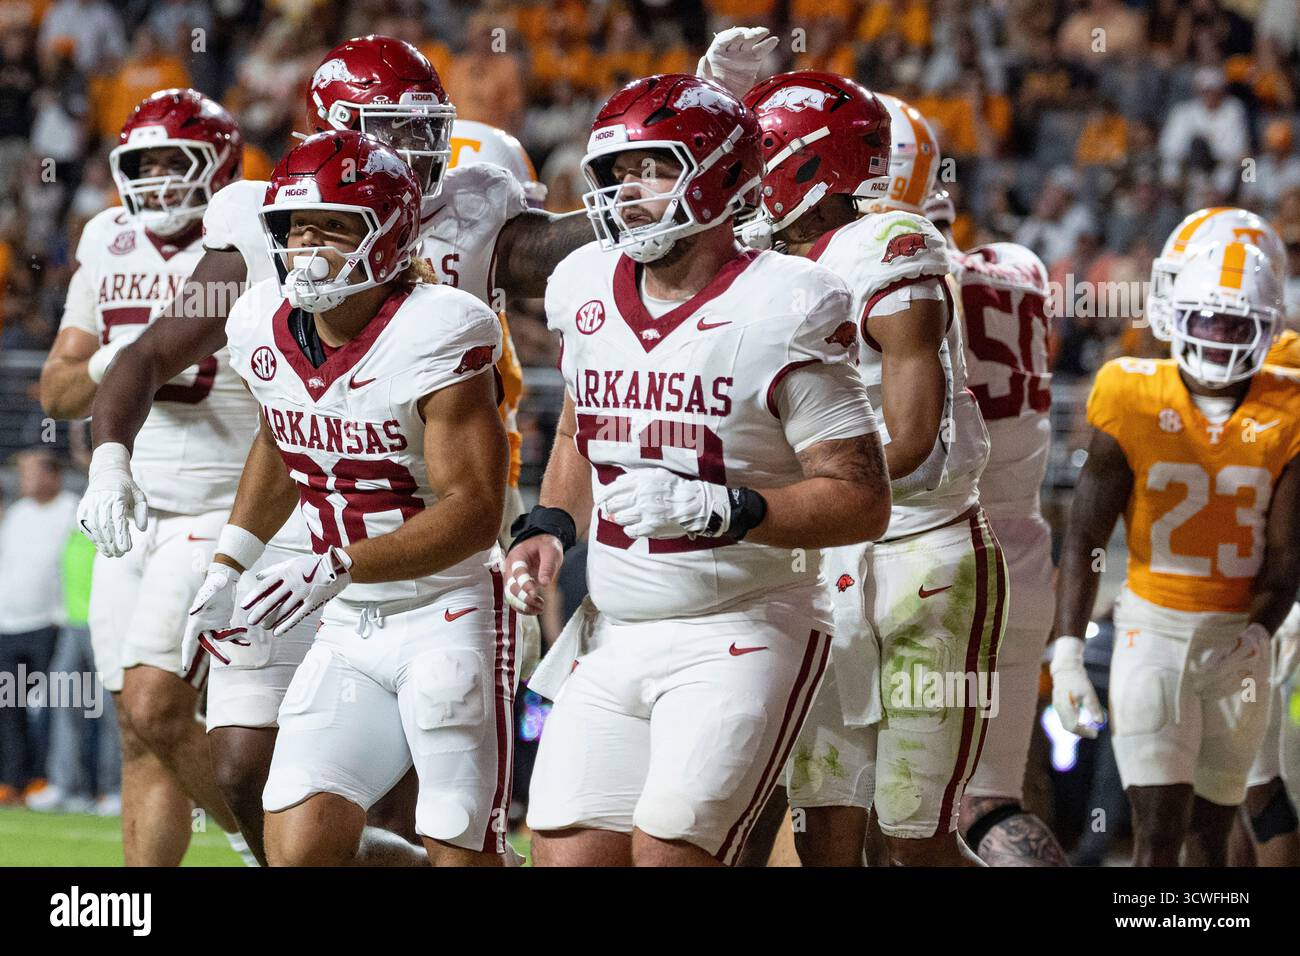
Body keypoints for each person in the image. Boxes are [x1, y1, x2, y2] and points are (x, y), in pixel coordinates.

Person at [77, 35, 592, 864]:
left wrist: (707, 163)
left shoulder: (469, 218)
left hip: (439, 513)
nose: (422, 152)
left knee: (430, 787)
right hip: (309, 507)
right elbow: (180, 372)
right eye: (394, 128)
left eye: (428, 129)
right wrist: (132, 478)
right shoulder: (263, 230)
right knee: (248, 769)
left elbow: (581, 245)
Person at [507, 73, 890, 867]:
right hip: (614, 629)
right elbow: (585, 426)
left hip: (743, 625)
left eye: (650, 169)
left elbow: (861, 499)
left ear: (717, 173)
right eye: (614, 175)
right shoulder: (583, 286)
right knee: (567, 855)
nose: (626, 193)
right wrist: (552, 523)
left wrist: (728, 508)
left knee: (669, 853)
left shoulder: (787, 300)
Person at [186, 129, 513, 866]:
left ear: (390, 234)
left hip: (449, 613)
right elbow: (282, 439)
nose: (307, 247)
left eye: (333, 227)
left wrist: (333, 564)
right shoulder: (260, 321)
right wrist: (228, 564)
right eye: (295, 228)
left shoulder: (442, 326)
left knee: (460, 841)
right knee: (297, 848)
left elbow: (473, 512)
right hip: (351, 625)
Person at [740, 75, 1001, 867]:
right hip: (829, 561)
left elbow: (914, 437)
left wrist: (773, 504)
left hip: (923, 553)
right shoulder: (778, 259)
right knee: (821, 823)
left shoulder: (889, 245)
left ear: (815, 167)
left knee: (915, 837)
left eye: (762, 158)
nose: (749, 179)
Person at [39, 87, 252, 866]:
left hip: (218, 506)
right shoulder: (106, 238)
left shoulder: (250, 239)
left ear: (219, 165)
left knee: (156, 706)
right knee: (135, 729)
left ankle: (264, 843)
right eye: (146, 162)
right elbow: (57, 391)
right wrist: (117, 358)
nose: (160, 179)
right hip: (125, 512)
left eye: (178, 161)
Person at [1051, 239, 1300, 866]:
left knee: (1212, 834)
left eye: (1236, 323)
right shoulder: (1132, 390)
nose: (1218, 337)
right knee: (1160, 830)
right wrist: (1068, 654)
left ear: (1267, 328)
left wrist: (1257, 633)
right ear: (1174, 317)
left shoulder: (1288, 403)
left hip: (1238, 635)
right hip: (1151, 631)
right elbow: (1083, 535)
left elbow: (1287, 557)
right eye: (1205, 319)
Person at [925, 188, 1067, 865]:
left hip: (936, 564)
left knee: (898, 807)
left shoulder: (892, 290)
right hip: (1025, 560)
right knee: (991, 805)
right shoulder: (1019, 269)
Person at [26, 525, 122, 815]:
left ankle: (114, 790)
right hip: (72, 623)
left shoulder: (114, 519)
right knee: (64, 704)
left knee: (109, 709)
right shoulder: (72, 520)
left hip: (107, 622)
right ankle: (66, 786)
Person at [0, 449, 78, 802]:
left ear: (53, 476)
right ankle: (13, 780)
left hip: (50, 625)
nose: (24, 480)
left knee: (50, 706)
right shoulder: (16, 514)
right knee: (9, 705)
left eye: (31, 473)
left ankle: (43, 778)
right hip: (9, 625)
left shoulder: (71, 510)